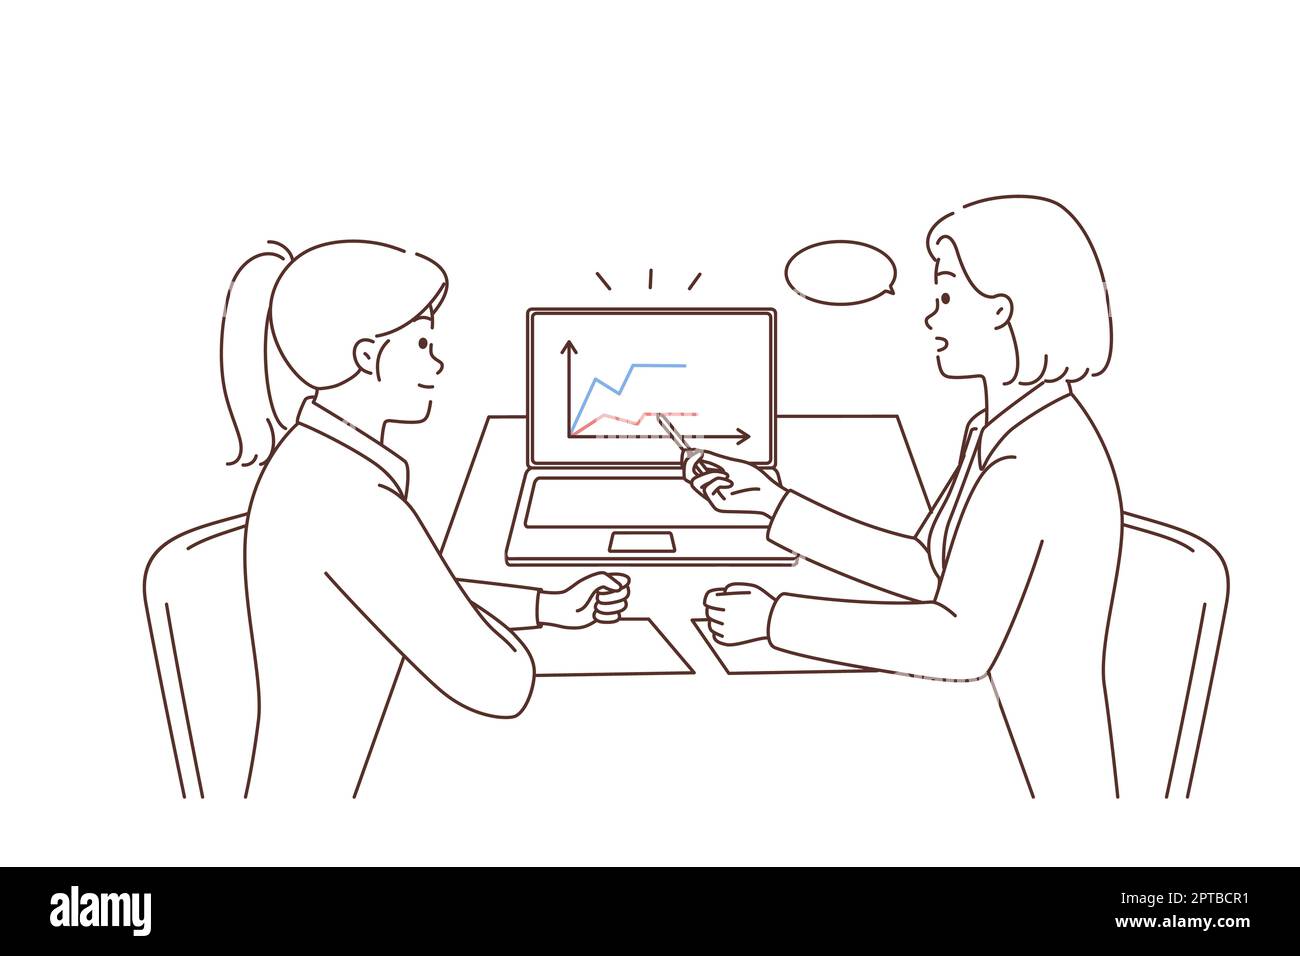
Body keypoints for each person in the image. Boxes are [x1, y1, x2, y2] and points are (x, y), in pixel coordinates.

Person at [690, 196, 1122, 797]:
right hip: (987, 724)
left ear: (1002, 311)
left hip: (1029, 762)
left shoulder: (1036, 462)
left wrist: (775, 618)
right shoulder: (1001, 430)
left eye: (946, 296)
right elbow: (928, 568)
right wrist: (772, 504)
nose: (931, 318)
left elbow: (958, 643)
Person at [221, 239, 630, 797]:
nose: (437, 364)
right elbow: (499, 685)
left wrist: (545, 607)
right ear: (368, 356)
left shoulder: (322, 460)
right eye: (421, 343)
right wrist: (502, 642)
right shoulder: (346, 496)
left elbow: (415, 590)